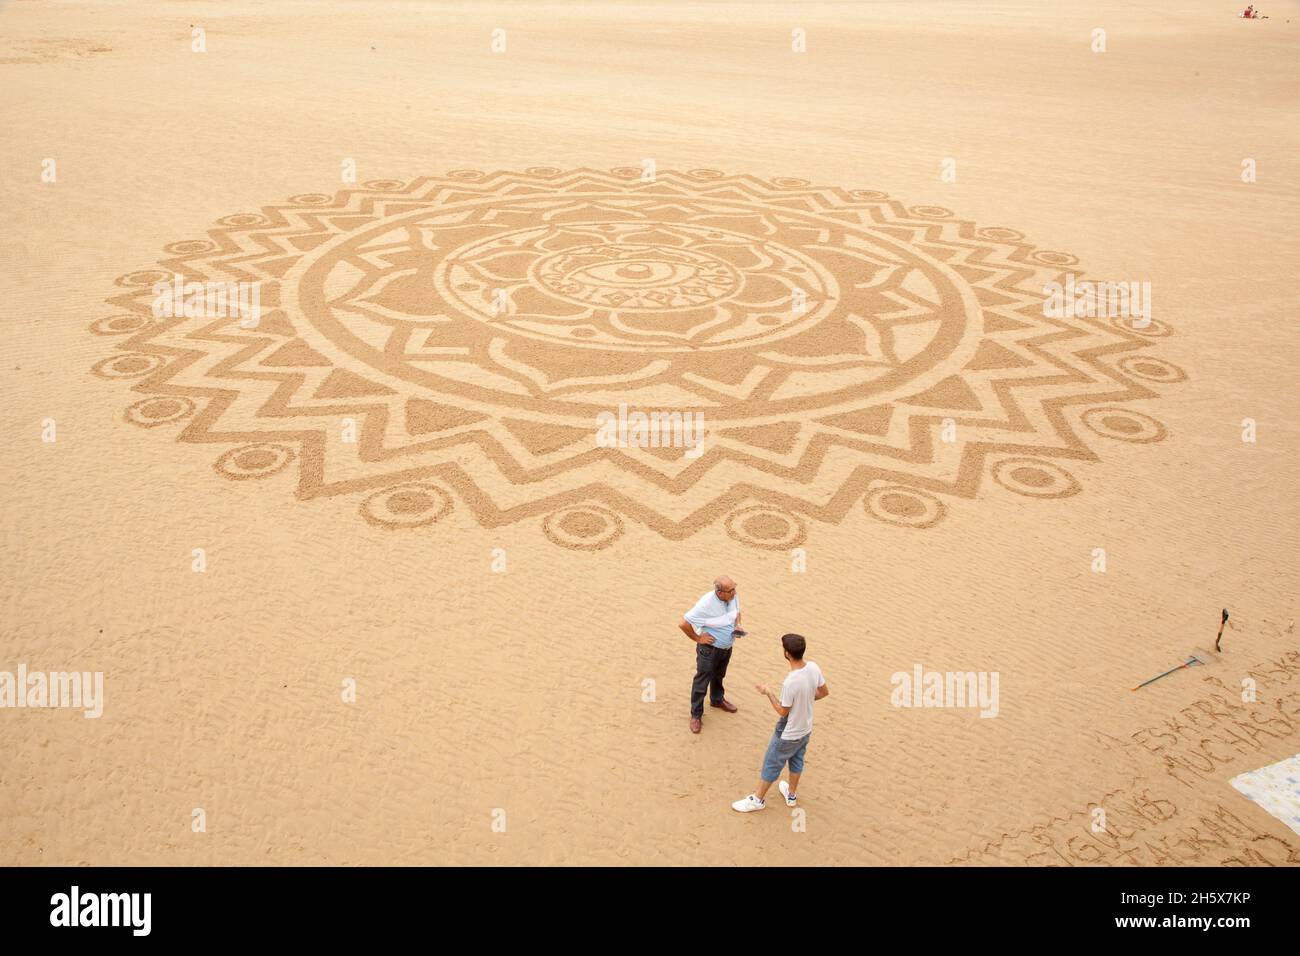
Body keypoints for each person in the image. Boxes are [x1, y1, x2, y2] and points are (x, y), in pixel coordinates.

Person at [732, 633, 827, 812]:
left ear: (786, 654)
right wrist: (805, 699)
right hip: (805, 729)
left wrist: (768, 692)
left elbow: (783, 711)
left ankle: (758, 799)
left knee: (772, 762)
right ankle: (791, 795)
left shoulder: (790, 682)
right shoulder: (814, 667)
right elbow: (823, 692)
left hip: (788, 732)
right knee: (797, 760)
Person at [678, 576, 745, 734]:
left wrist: (738, 626)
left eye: (735, 588)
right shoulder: (706, 604)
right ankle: (696, 715)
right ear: (720, 592)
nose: (735, 593)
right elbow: (683, 623)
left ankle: (717, 700)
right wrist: (698, 638)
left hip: (726, 648)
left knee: (719, 676)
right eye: (731, 590)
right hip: (709, 650)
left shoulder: (734, 596)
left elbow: (737, 613)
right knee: (702, 681)